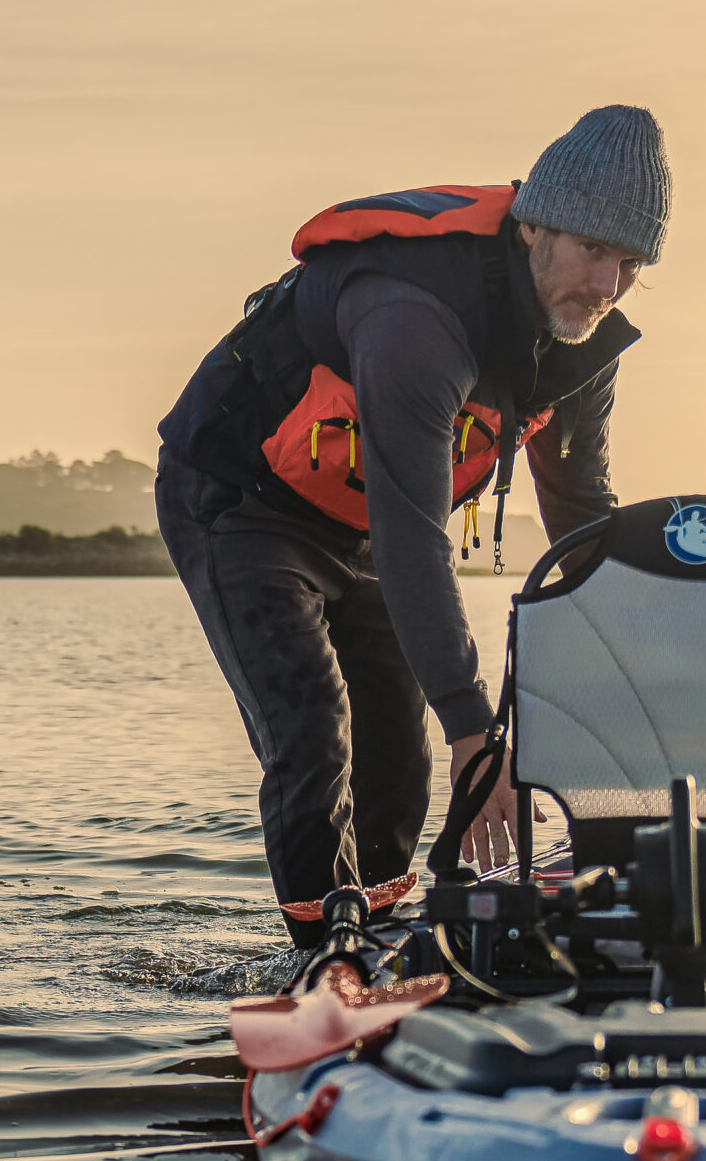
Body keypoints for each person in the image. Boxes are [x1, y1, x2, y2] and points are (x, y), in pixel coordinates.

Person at [157, 106, 666, 948]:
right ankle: (324, 955)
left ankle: (383, 937)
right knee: (315, 727)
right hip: (239, 503)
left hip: (358, 523)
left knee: (399, 752)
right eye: (591, 252)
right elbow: (413, 536)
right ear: (533, 224)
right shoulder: (415, 317)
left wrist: (650, 680)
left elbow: (581, 523)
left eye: (630, 263)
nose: (607, 287)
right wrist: (477, 729)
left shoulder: (583, 343)